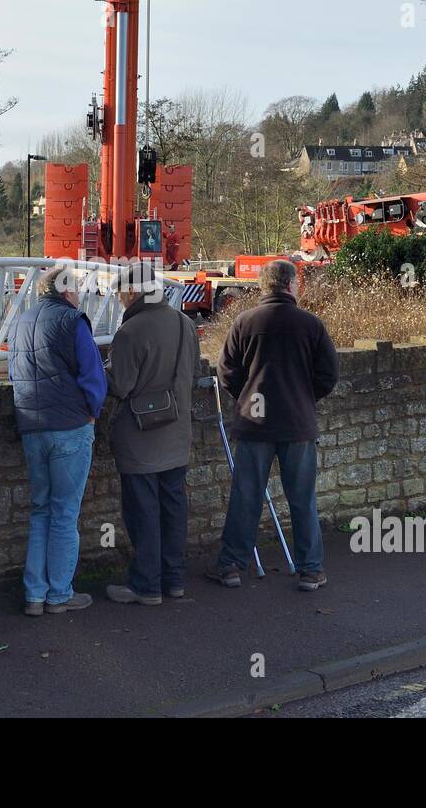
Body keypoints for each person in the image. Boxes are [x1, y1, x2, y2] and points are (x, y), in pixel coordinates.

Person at [208, 259, 338, 591]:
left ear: (263, 286)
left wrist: (247, 397)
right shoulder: (311, 324)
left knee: (246, 496)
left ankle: (232, 566)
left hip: (254, 422)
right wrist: (304, 399)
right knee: (302, 498)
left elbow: (226, 372)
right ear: (292, 285)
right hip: (297, 423)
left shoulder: (243, 322)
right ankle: (310, 570)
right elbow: (328, 376)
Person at [9, 266, 108, 615]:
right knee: (65, 513)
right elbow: (93, 375)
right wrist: (92, 411)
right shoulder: (72, 321)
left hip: (31, 426)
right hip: (69, 426)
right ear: (66, 292)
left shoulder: (20, 322)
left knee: (41, 510)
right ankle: (59, 594)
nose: (80, 293)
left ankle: (35, 594)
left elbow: (12, 372)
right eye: (77, 288)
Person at [102, 262, 202, 606]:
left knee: (143, 511)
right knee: (174, 507)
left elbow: (120, 384)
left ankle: (147, 585)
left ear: (132, 292)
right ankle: (174, 580)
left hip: (141, 436)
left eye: (119, 294)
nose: (118, 301)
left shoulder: (131, 332)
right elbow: (195, 370)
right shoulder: (184, 323)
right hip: (177, 432)